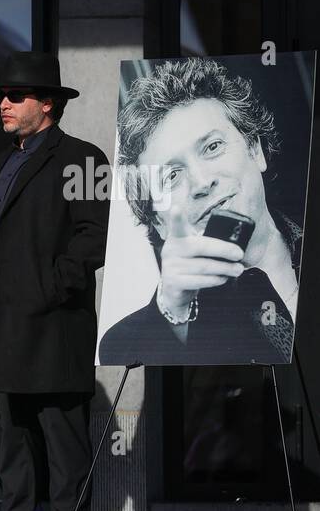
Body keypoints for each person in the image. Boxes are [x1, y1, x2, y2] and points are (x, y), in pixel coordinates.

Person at [0, 52, 108, 511]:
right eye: (1, 95)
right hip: (0, 328)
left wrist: (48, 288)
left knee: (63, 441)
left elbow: (94, 240)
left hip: (52, 329)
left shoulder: (81, 158)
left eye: (15, 96)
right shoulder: (2, 160)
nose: (3, 103)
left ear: (47, 104)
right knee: (13, 442)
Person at [98, 57, 300, 366]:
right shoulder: (127, 341)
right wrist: (176, 313)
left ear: (255, 150)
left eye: (212, 147)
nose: (202, 183)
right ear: (158, 220)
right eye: (172, 176)